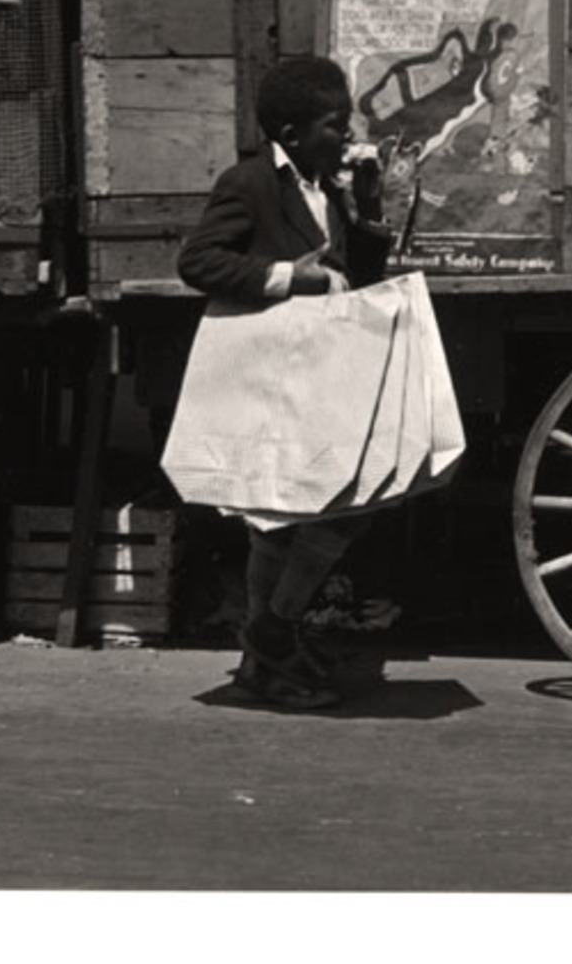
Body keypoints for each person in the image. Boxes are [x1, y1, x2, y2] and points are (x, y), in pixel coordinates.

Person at [176, 56, 397, 711]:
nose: (349, 133)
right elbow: (199, 260)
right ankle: (265, 652)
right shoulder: (250, 184)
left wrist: (371, 205)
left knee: (355, 497)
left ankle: (268, 640)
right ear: (294, 133)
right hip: (276, 371)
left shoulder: (326, 186)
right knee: (277, 515)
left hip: (321, 368)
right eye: (337, 123)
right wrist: (288, 277)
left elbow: (357, 274)